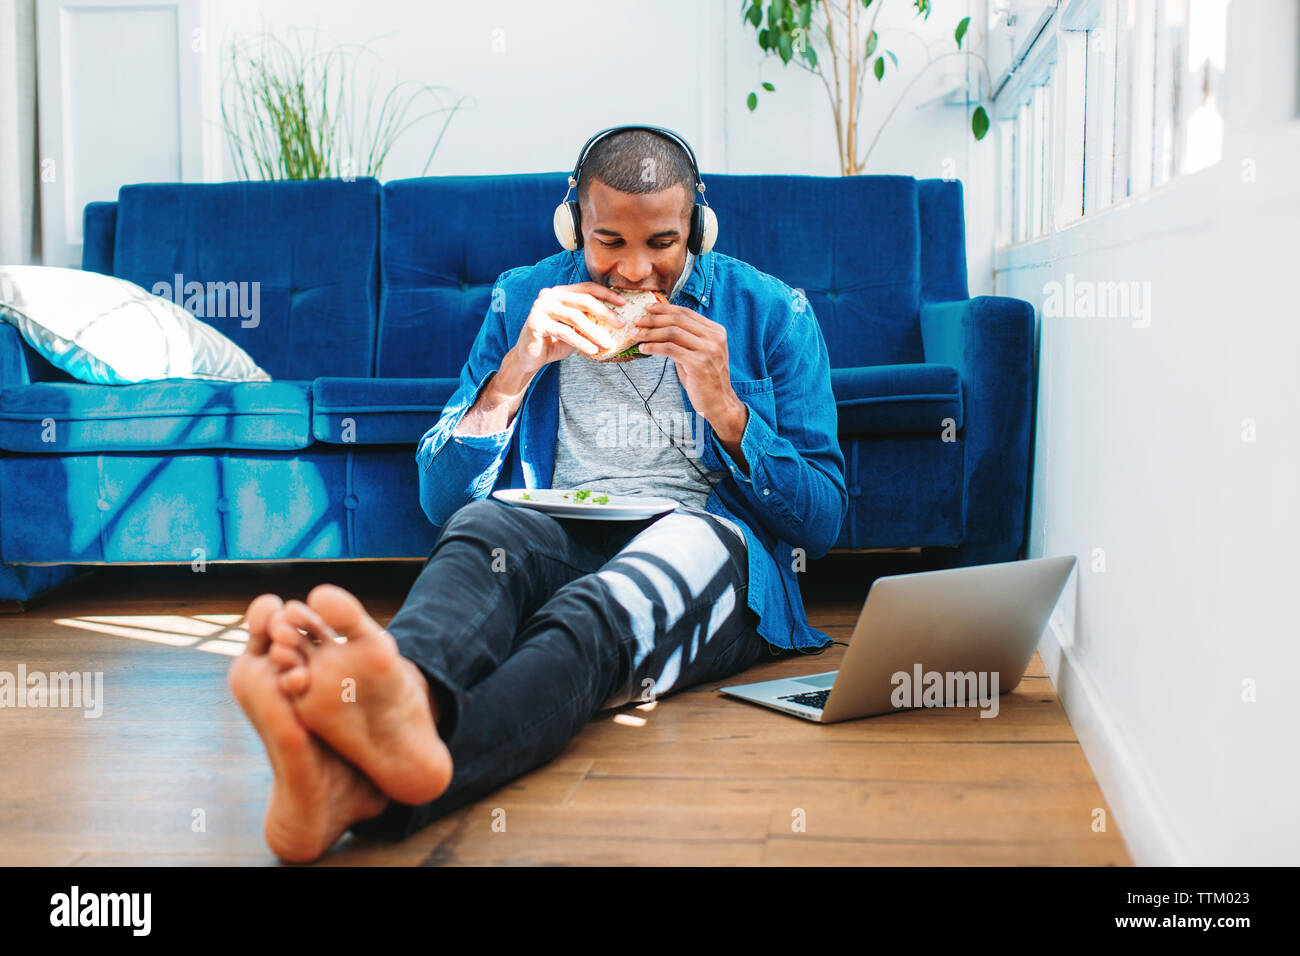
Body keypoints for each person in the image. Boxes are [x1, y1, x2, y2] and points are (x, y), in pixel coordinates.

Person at [228, 126, 846, 862]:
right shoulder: (524, 297)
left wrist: (726, 408)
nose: (636, 272)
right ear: (574, 224)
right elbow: (442, 497)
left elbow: (823, 519)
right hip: (561, 527)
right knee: (483, 527)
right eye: (609, 241)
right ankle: (404, 694)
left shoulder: (774, 311)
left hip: (705, 539)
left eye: (663, 244)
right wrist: (520, 365)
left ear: (699, 232)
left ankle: (365, 783)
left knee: (589, 619)